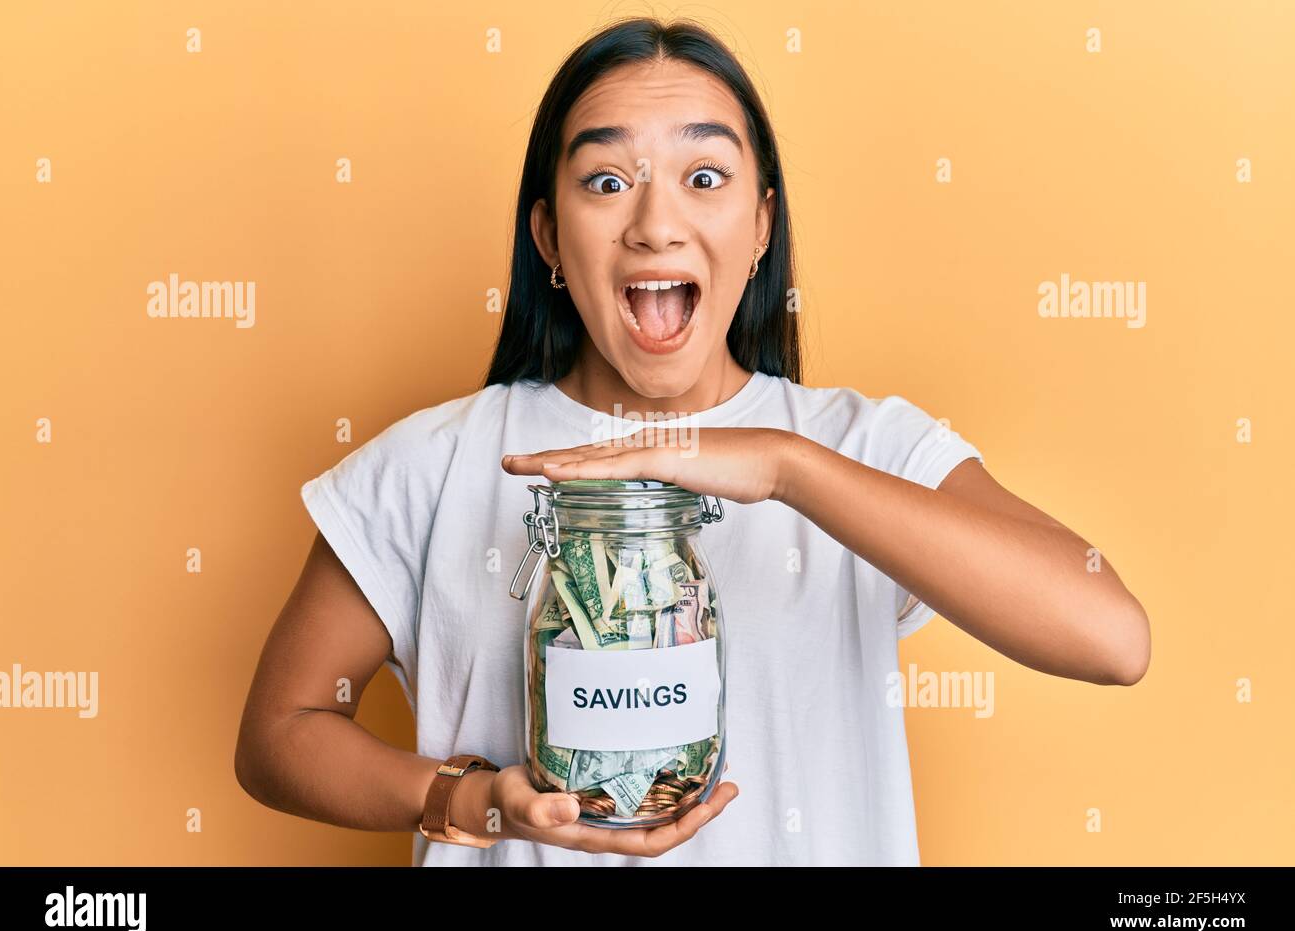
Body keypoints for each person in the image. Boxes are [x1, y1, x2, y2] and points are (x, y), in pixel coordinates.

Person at [235, 16, 1150, 866]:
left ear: (760, 226)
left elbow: (1111, 638)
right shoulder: (433, 465)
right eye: (606, 181)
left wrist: (786, 467)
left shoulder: (860, 447)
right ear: (548, 236)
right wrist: (475, 802)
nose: (656, 223)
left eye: (704, 177)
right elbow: (279, 734)